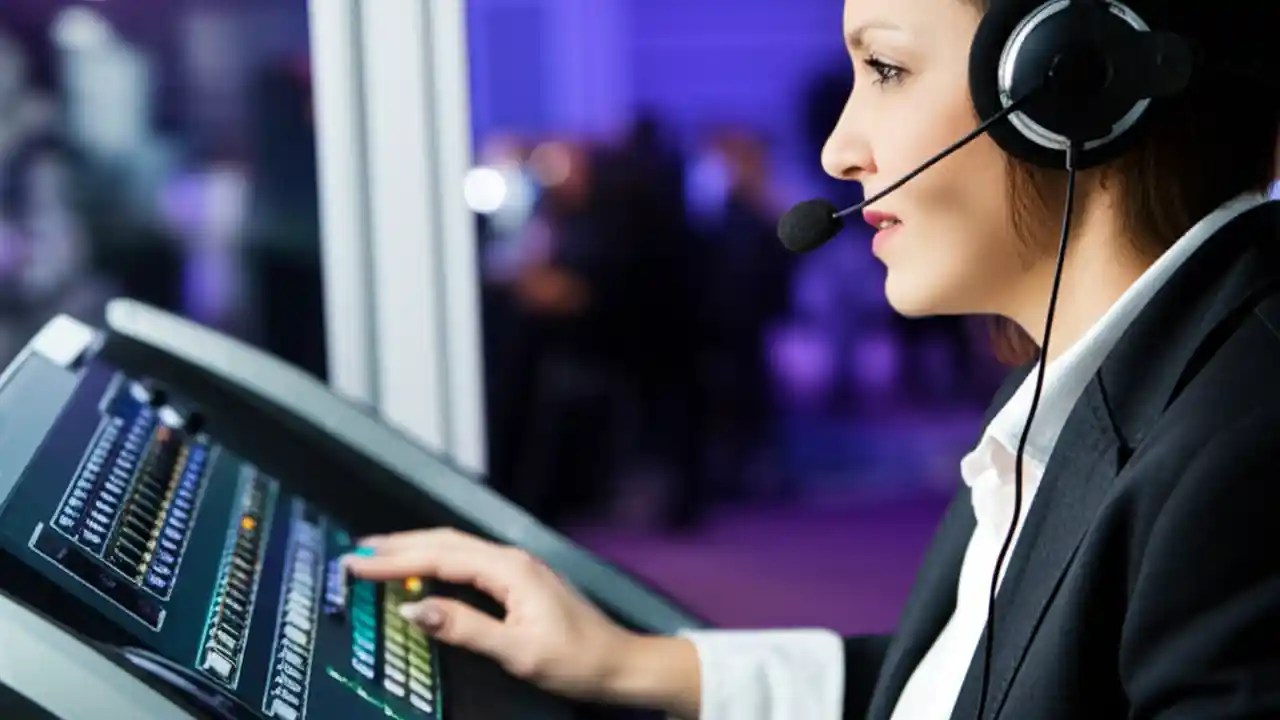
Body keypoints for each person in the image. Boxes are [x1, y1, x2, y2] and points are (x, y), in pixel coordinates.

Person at [342, 0, 1280, 718]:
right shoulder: (1091, 385)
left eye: (886, 68)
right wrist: (630, 663)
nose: (838, 149)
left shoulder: (1244, 455)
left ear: (1076, 83)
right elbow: (973, 679)